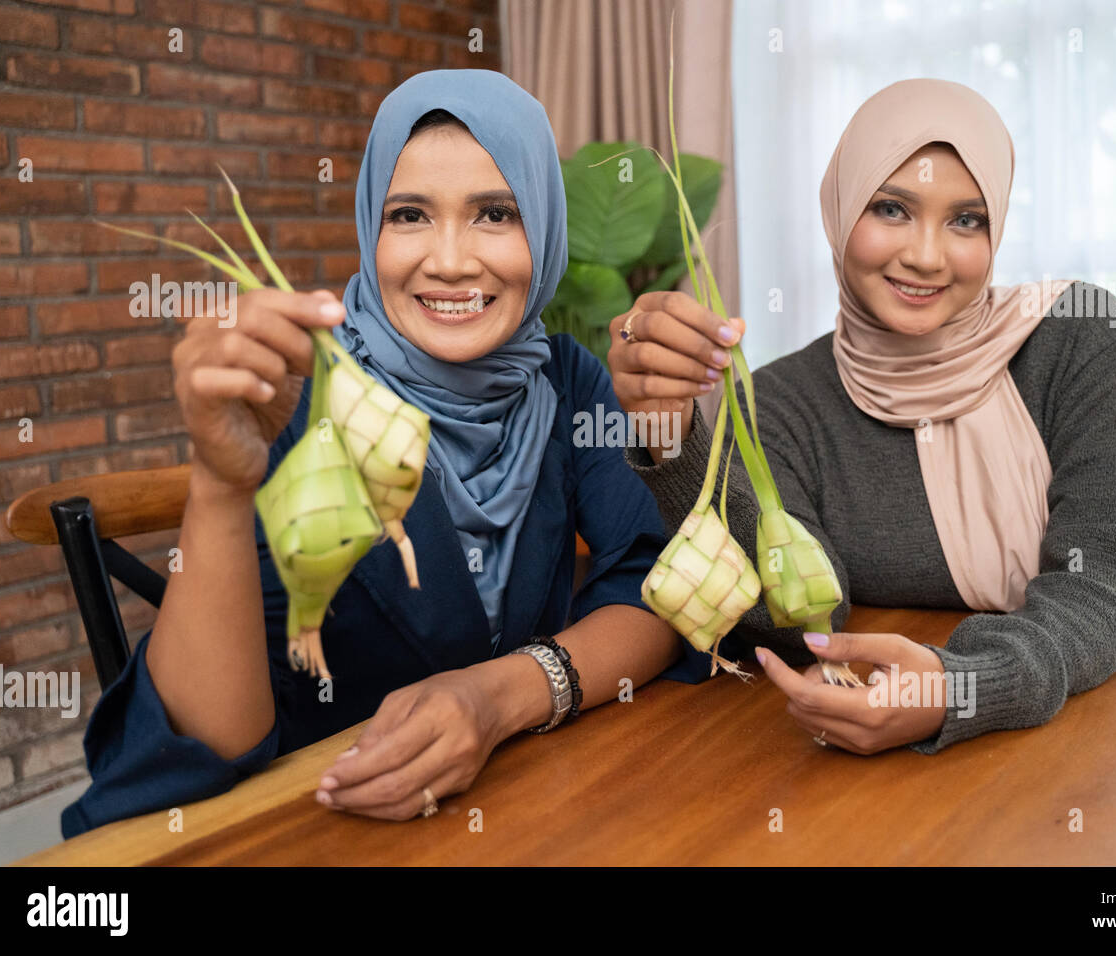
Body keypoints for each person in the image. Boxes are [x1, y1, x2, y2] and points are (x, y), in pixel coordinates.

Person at [62, 69, 710, 838]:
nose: (449, 261)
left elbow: (652, 587)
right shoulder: (299, 387)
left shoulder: (563, 379)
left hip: (517, 812)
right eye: (409, 215)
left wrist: (499, 696)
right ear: (372, 223)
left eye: (495, 214)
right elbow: (206, 747)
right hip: (319, 829)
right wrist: (220, 484)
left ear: (544, 224)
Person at [609, 78, 1116, 755]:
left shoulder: (1082, 336)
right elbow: (797, 620)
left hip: (1085, 729)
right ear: (840, 212)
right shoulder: (782, 402)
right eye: (891, 209)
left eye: (967, 219)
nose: (927, 256)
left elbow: (1111, 573)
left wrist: (965, 686)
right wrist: (668, 435)